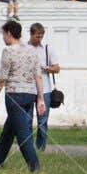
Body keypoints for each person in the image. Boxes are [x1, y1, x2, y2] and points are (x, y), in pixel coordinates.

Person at [0, 19, 44, 171]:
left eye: (4, 34)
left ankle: (34, 166)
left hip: (14, 94)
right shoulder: (32, 50)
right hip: (30, 94)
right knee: (9, 130)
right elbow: (38, 75)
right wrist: (40, 98)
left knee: (22, 134)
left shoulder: (8, 51)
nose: (3, 38)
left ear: (9, 33)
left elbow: (2, 78)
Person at [29, 22, 59, 152]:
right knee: (27, 120)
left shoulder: (47, 49)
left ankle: (41, 148)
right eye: (36, 36)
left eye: (41, 36)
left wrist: (47, 68)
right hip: (28, 89)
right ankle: (28, 148)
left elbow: (57, 68)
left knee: (42, 121)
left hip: (45, 90)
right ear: (31, 34)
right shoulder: (25, 47)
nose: (39, 38)